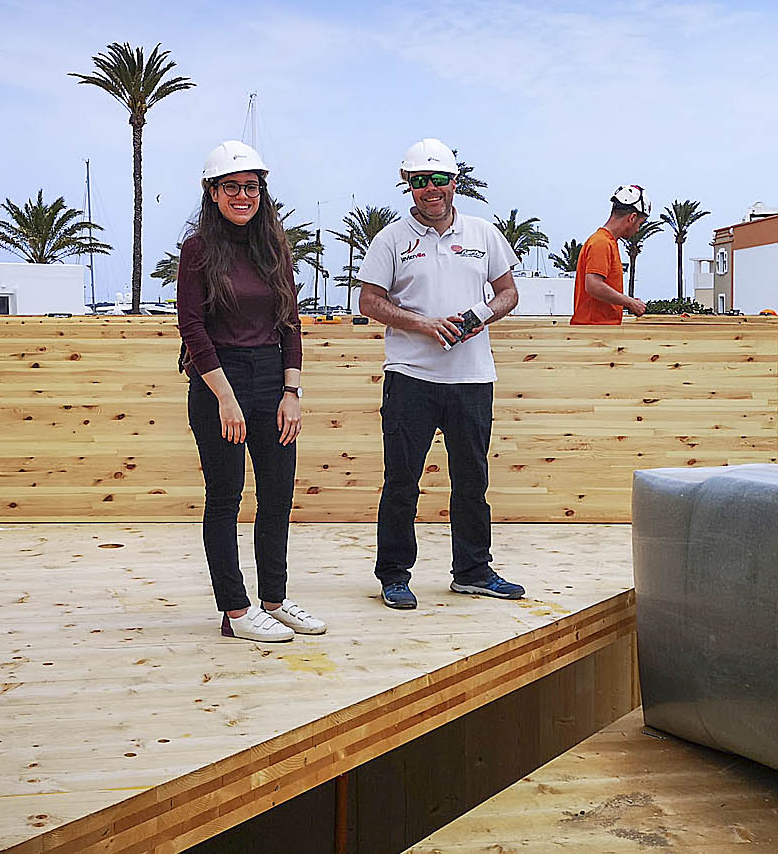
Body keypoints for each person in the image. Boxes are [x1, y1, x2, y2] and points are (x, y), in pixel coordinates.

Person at [357, 138, 525, 610]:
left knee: (472, 479)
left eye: (439, 180)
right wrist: (421, 324)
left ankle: (472, 571)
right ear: (408, 186)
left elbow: (508, 293)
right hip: (410, 376)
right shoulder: (390, 239)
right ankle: (393, 575)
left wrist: (481, 317)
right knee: (402, 480)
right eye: (419, 181)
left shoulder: (484, 233)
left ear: (455, 182)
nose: (430, 189)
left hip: (472, 377)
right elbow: (369, 301)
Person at [178, 140, 326, 643]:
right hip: (218, 377)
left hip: (271, 379)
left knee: (278, 495)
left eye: (251, 187)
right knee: (225, 497)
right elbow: (192, 328)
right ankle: (236, 611)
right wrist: (224, 396)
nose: (243, 196)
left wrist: (292, 391)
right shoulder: (198, 249)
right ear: (213, 192)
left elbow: (289, 321)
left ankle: (274, 600)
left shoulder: (273, 247)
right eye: (232, 187)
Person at [571, 184, 650, 325]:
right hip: (594, 332)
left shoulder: (607, 242)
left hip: (599, 332)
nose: (638, 229)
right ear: (632, 217)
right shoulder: (601, 243)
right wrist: (630, 302)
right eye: (640, 223)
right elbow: (593, 285)